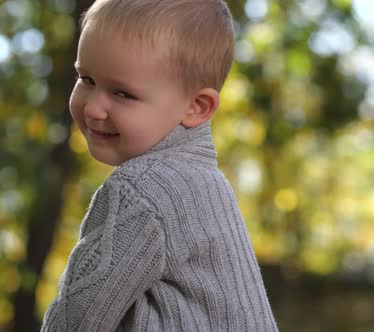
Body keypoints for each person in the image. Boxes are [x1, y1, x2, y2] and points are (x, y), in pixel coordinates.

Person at [41, 0, 278, 331]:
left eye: (122, 93)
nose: (94, 108)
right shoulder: (206, 183)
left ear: (196, 106)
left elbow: (77, 319)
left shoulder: (143, 188)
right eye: (87, 79)